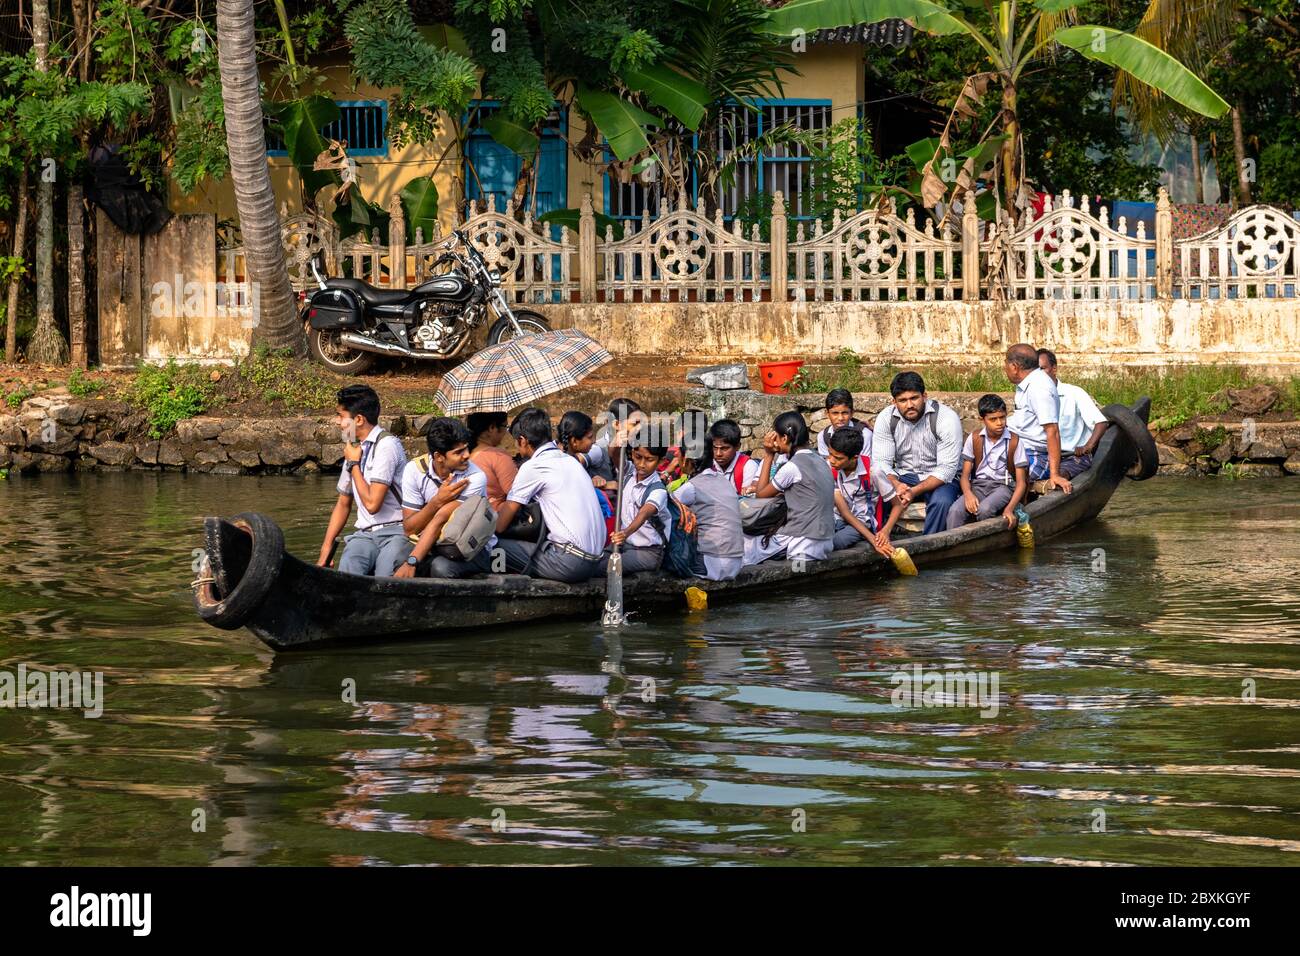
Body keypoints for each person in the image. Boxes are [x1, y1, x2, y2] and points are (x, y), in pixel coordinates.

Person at [494, 408, 607, 583]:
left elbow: (501, 525)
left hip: (570, 563)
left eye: (517, 442)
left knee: (494, 546)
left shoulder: (533, 467)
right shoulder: (571, 460)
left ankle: (498, 588)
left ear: (523, 441)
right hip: (596, 561)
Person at [318, 385, 409, 576]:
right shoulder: (354, 448)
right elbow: (343, 503)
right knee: (347, 574)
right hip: (365, 535)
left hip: (397, 532)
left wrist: (354, 464)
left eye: (341, 416)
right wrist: (326, 549)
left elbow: (372, 504)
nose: (337, 422)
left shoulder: (387, 446)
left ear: (358, 419)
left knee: (384, 577)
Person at [393, 417, 495, 579]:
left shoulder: (475, 476)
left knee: (441, 568)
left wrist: (412, 562)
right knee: (398, 559)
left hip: (472, 546)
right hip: (435, 543)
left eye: (467, 448)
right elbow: (410, 529)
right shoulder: (414, 470)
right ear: (439, 456)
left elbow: (440, 519)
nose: (467, 455)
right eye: (458, 452)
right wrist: (436, 502)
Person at [870, 371, 964, 544]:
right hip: (903, 476)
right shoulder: (886, 418)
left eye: (914, 398)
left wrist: (913, 492)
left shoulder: (946, 418)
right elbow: (881, 463)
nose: (909, 405)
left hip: (940, 478)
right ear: (894, 402)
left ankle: (929, 546)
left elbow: (947, 470)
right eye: (902, 400)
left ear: (925, 396)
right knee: (873, 495)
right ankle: (878, 541)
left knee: (941, 503)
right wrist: (896, 485)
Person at [745, 411, 836, 566]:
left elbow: (761, 495)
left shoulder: (792, 467)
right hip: (825, 541)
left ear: (785, 438)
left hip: (801, 543)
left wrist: (768, 455)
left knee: (745, 550)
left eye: (777, 437)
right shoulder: (822, 461)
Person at [596, 428, 672, 577]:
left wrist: (625, 533)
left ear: (661, 461)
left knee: (601, 568)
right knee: (591, 560)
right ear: (631, 454)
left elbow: (644, 513)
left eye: (649, 459)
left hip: (648, 553)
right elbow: (615, 454)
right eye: (638, 457)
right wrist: (617, 442)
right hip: (625, 544)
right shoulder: (629, 472)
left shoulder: (658, 490)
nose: (642, 464)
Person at [946, 394, 1029, 531]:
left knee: (985, 509)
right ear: (982, 420)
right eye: (993, 419)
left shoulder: (1014, 441)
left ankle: (982, 544)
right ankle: (950, 546)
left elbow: (1021, 483)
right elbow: (965, 476)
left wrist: (1009, 509)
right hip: (978, 486)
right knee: (955, 511)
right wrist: (968, 494)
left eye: (1002, 417)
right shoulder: (974, 438)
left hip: (1003, 487)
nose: (999, 423)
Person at [1004, 343, 1072, 494]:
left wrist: (1055, 475)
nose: (1005, 369)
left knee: (1003, 482)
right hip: (1016, 448)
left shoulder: (1039, 388)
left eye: (1006, 364)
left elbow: (1052, 431)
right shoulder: (1027, 383)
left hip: (1036, 455)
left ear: (1014, 367)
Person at [672, 449, 744, 581]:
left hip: (710, 564)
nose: (676, 457)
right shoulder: (725, 482)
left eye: (679, 455)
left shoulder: (691, 487)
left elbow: (664, 508)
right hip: (736, 564)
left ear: (687, 460)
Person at [1037, 348, 1108, 478]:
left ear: (1054, 369)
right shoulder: (1032, 397)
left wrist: (1088, 446)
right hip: (1043, 456)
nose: (1039, 374)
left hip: (1072, 456)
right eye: (1036, 371)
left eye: (1043, 369)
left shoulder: (1074, 393)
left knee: (1060, 476)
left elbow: (1101, 423)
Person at [825, 426, 889, 554]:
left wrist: (884, 532)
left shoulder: (873, 471)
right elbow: (844, 512)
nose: (831, 460)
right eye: (830, 454)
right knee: (815, 537)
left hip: (862, 523)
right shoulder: (830, 467)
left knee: (835, 542)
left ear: (854, 458)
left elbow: (897, 505)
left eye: (838, 458)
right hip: (839, 517)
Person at [557, 410, 616, 542]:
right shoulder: (567, 464)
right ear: (574, 441)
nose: (594, 440)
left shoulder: (569, 460)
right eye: (589, 437)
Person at [467, 411, 517, 509]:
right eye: (505, 427)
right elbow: (517, 494)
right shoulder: (498, 456)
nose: (506, 432)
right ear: (492, 428)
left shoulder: (464, 456)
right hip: (497, 517)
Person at [706, 419, 762, 493]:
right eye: (714, 448)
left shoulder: (748, 466)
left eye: (724, 448)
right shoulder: (707, 465)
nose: (718, 454)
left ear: (737, 446)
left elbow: (747, 500)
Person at [816, 388, 871, 461]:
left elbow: (866, 464)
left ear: (851, 413)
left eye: (845, 413)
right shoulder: (823, 436)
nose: (840, 418)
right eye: (835, 413)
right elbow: (826, 465)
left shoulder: (865, 435)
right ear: (827, 414)